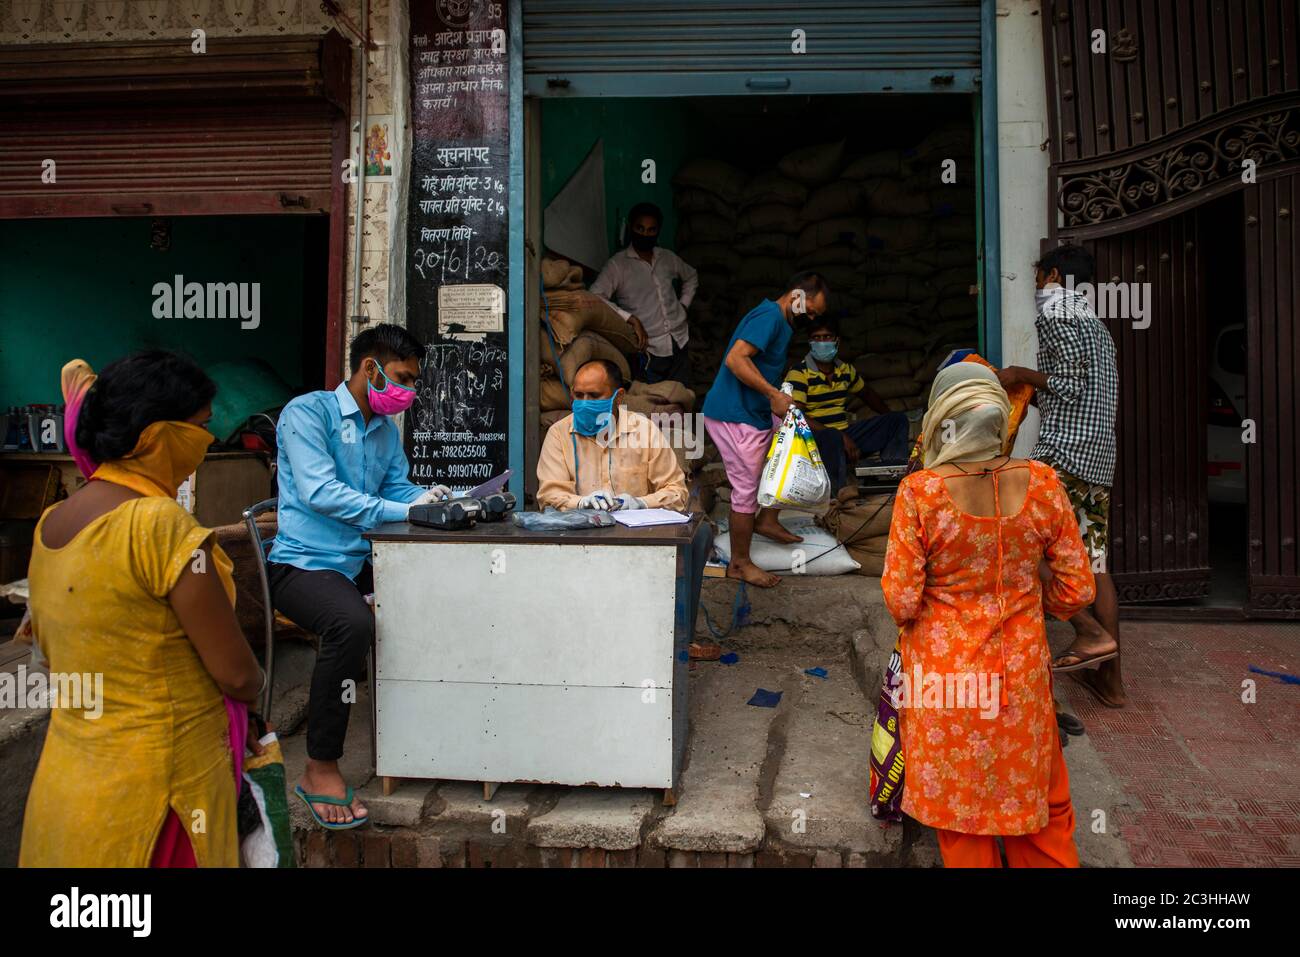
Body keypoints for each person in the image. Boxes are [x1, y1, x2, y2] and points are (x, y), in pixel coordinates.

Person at [22, 351, 264, 867]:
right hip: (160, 801)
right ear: (158, 436)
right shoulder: (160, 526)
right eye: (201, 428)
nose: (207, 441)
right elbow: (236, 674)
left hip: (68, 793)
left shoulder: (51, 524)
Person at [881, 362, 1096, 867]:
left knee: (964, 823)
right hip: (1019, 675)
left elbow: (902, 601)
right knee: (1038, 810)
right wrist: (1027, 609)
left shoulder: (920, 493)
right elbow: (1078, 588)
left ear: (941, 420)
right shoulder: (1043, 483)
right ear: (1001, 420)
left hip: (945, 682)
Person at [268, 323, 449, 829]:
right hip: (303, 564)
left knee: (438, 597)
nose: (408, 392)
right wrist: (401, 508)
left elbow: (398, 488)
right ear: (370, 367)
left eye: (413, 383)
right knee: (351, 624)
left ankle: (436, 737)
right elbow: (320, 493)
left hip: (357, 562)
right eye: (402, 378)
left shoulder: (384, 431)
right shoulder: (307, 414)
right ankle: (319, 766)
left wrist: (433, 500)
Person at [997, 244, 1124, 708]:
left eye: (1037, 277)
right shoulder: (1095, 322)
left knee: (1016, 536)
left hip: (1063, 453)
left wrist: (1018, 373)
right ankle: (1111, 683)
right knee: (1095, 563)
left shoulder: (1056, 309)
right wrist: (1031, 395)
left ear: (1053, 275)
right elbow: (1083, 388)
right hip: (1097, 455)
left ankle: (1087, 631)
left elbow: (1069, 386)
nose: (1035, 287)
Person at [701, 272, 829, 588]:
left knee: (789, 450)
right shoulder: (769, 316)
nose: (811, 317)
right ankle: (740, 564)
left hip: (752, 410)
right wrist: (773, 394)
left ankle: (767, 520)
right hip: (733, 413)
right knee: (746, 488)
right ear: (797, 294)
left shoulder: (781, 323)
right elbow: (736, 359)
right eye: (811, 309)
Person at [535, 359, 688, 512]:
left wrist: (642, 503)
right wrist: (581, 503)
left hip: (635, 534)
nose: (585, 403)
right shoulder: (558, 434)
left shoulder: (645, 430)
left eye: (594, 396)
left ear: (619, 397)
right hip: (582, 533)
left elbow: (677, 492)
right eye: (579, 395)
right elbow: (549, 495)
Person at [784, 315, 912, 491]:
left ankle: (891, 479)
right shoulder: (799, 372)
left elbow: (866, 393)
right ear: (810, 342)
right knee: (833, 437)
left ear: (837, 340)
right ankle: (838, 495)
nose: (822, 342)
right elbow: (796, 416)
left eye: (827, 337)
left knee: (896, 420)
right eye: (817, 338)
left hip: (845, 435)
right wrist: (839, 436)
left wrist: (886, 417)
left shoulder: (845, 370)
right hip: (815, 440)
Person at [591, 201, 699, 384]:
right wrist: (629, 318)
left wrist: (683, 306)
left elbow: (691, 276)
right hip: (649, 349)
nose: (645, 234)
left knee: (682, 398)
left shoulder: (667, 257)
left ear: (658, 231)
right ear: (631, 228)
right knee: (652, 406)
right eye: (640, 228)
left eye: (651, 230)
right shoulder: (618, 265)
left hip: (680, 339)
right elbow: (595, 295)